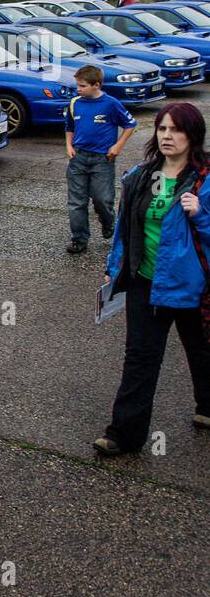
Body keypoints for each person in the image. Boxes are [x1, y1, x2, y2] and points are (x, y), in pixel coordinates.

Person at [95, 102, 210, 455]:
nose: (167, 136)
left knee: (202, 350)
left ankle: (207, 406)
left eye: (176, 129)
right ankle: (123, 434)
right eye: (162, 128)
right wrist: (114, 268)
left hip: (193, 287)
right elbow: (125, 232)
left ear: (193, 135)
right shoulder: (138, 177)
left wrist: (202, 216)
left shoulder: (205, 180)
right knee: (140, 357)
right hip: (146, 282)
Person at [65, 66, 137, 255]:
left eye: (82, 86)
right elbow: (69, 126)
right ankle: (79, 239)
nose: (78, 89)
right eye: (77, 85)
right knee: (76, 202)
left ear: (96, 85)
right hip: (78, 158)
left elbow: (130, 124)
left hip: (102, 160)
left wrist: (118, 146)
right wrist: (69, 145)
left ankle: (108, 222)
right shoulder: (75, 103)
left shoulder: (111, 104)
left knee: (102, 199)